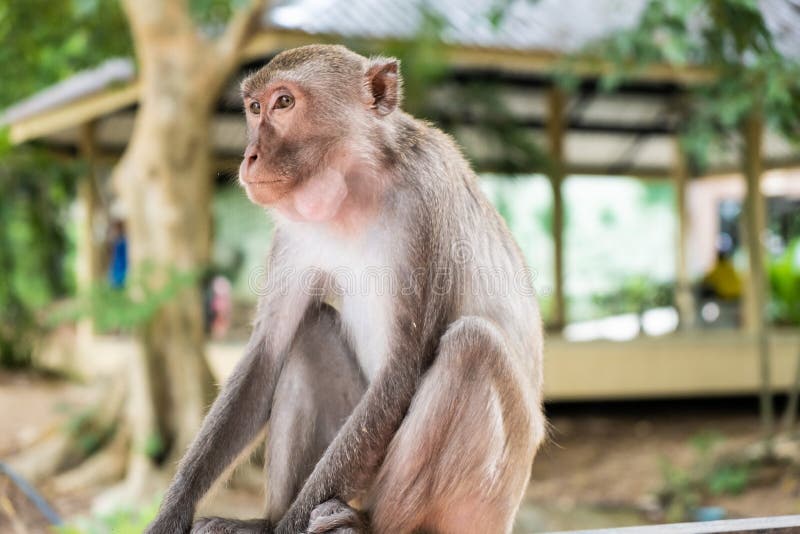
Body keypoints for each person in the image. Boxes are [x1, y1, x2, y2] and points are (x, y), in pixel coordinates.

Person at [108, 220, 128, 289]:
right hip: (117, 272)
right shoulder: (117, 242)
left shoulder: (123, 242)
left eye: (115, 229)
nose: (113, 232)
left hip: (121, 272)